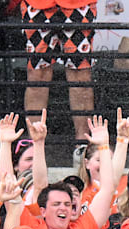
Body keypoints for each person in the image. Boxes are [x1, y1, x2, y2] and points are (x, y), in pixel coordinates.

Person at [21, 0, 98, 141]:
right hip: (36, 5)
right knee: (37, 76)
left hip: (78, 4)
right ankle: (34, 143)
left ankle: (82, 145)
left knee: (80, 78)